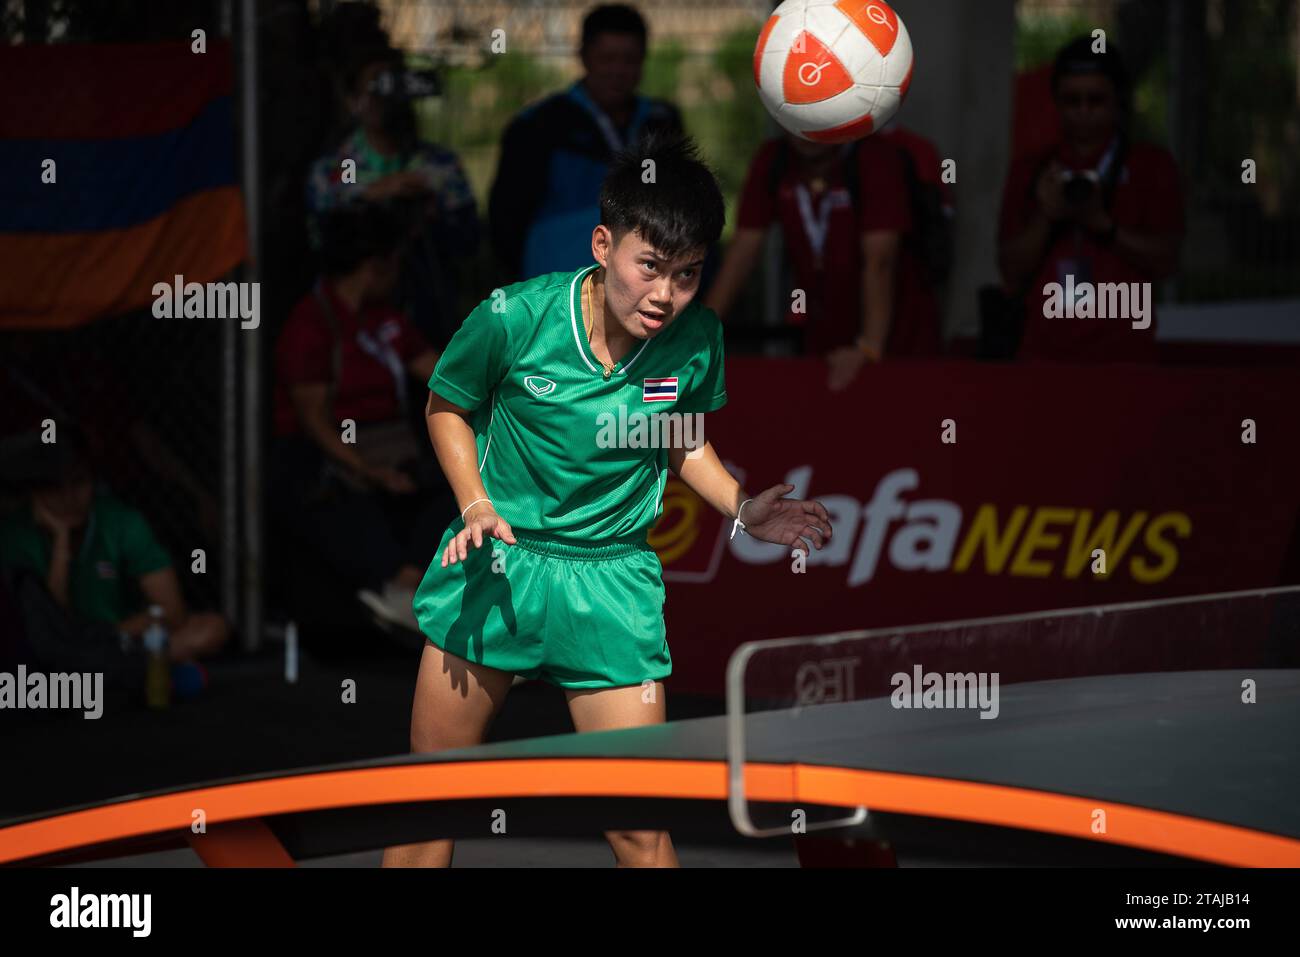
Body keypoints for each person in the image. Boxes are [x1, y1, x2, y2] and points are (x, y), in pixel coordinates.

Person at [382, 135, 833, 868]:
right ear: (603, 243)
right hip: (500, 562)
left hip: (613, 585)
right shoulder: (513, 316)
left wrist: (743, 508)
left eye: (687, 274)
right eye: (649, 267)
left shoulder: (695, 338)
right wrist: (473, 504)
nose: (665, 295)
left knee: (638, 825)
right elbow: (446, 405)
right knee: (429, 799)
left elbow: (681, 438)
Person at [271, 203, 453, 631]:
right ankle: (397, 591)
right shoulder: (310, 325)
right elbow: (314, 422)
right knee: (344, 502)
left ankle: (404, 587)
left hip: (391, 449)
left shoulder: (386, 318)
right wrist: (370, 472)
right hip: (326, 455)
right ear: (375, 266)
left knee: (461, 484)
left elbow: (444, 373)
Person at [997, 36, 1184, 362]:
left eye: (1095, 100)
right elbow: (1010, 271)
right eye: (1072, 101)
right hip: (1043, 358)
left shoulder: (1151, 166)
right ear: (1056, 102)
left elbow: (1167, 260)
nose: (1083, 111)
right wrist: (1046, 214)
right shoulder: (1032, 170)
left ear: (1118, 101)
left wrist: (1104, 225)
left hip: (1126, 357)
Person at [488, 3, 684, 281]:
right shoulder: (537, 127)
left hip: (640, 293)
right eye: (607, 58)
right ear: (583, 56)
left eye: (629, 59)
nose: (618, 70)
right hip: (558, 295)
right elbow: (505, 223)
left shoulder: (662, 123)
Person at [704, 131, 913, 391]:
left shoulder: (876, 157)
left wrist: (869, 346)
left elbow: (880, 262)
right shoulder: (773, 159)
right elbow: (743, 252)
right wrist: (698, 336)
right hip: (824, 345)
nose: (806, 122)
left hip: (898, 345)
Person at [0, 430, 229, 666]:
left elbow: (172, 610)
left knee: (211, 628)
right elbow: (50, 629)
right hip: (54, 652)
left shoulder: (120, 521)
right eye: (54, 488)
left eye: (79, 483)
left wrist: (106, 638)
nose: (68, 498)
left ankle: (116, 667)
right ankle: (132, 669)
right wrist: (61, 548)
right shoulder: (15, 535)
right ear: (34, 493)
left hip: (118, 638)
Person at [307, 42, 479, 349]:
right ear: (351, 100)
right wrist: (372, 196)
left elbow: (469, 241)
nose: (384, 99)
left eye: (393, 85)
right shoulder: (333, 169)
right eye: (373, 88)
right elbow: (318, 239)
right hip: (354, 322)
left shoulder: (439, 166)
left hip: (429, 309)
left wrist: (432, 212)